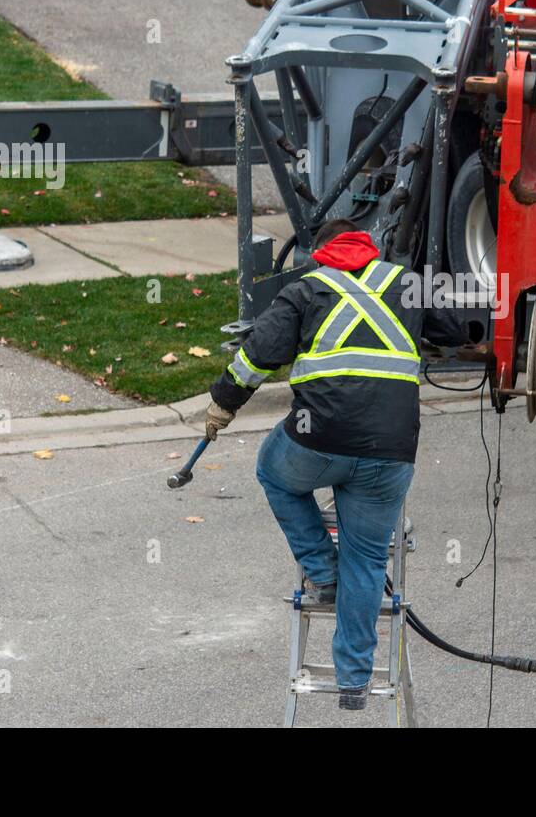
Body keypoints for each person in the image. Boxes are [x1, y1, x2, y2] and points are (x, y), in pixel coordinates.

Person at [204, 218, 470, 710]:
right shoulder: (405, 283)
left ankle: (321, 573)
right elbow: (455, 328)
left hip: (316, 444)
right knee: (368, 559)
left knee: (272, 471)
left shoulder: (306, 290)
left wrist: (223, 402)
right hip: (390, 453)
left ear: (322, 250)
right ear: (368, 248)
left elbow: (256, 356)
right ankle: (354, 682)